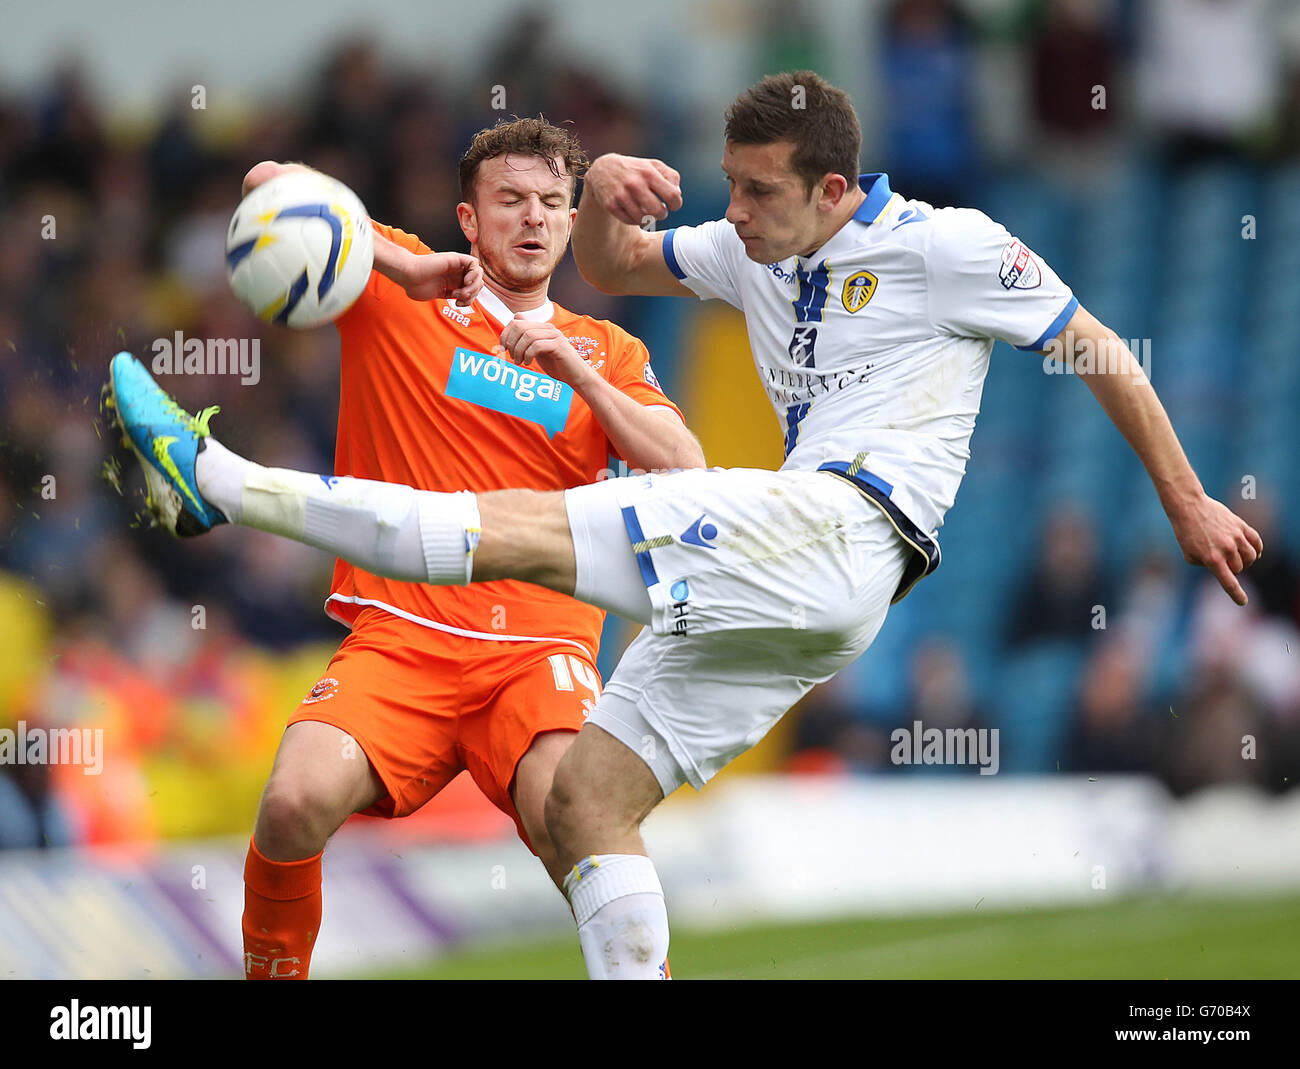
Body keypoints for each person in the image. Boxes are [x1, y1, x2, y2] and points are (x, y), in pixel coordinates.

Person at [108, 72, 1262, 980]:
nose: (734, 210)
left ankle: (213, 478)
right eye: (728, 183)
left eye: (756, 191)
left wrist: (1182, 496)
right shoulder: (748, 252)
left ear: (833, 189)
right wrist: (603, 186)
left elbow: (1096, 344)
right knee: (588, 800)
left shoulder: (944, 247)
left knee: (515, 531)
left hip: (843, 528)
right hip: (802, 596)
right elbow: (615, 261)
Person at [119, 116, 703, 980]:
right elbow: (267, 182)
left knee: (573, 820)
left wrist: (573, 371)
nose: (533, 218)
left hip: (538, 646)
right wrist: (399, 263)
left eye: (551, 202)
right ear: (469, 219)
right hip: (404, 636)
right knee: (290, 803)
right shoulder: (400, 283)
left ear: (573, 222)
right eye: (509, 200)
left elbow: (685, 464)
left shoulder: (609, 349)